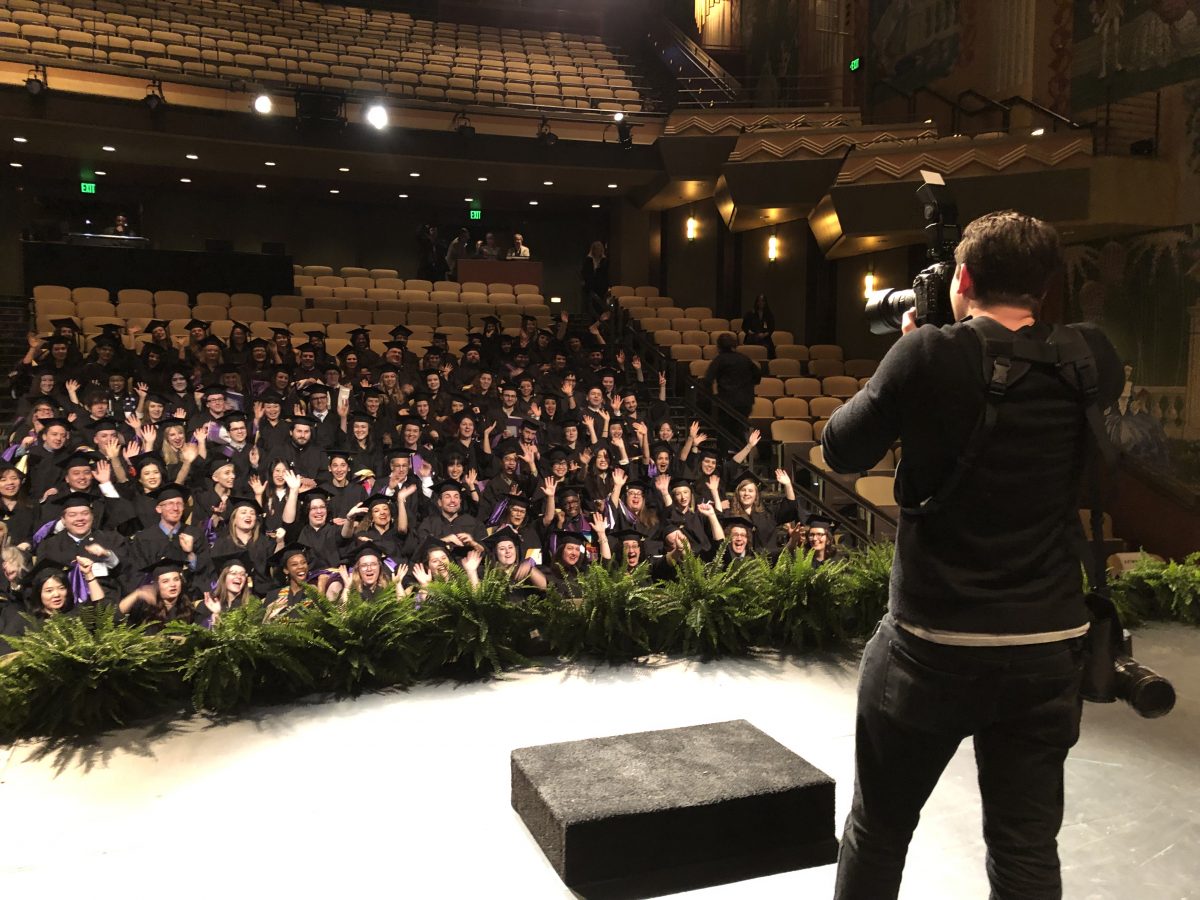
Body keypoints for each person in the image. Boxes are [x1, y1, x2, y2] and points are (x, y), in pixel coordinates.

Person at [822, 210, 1123, 900]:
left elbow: (842, 449)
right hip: (1048, 646)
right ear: (1046, 286)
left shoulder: (930, 354)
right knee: (1025, 847)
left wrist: (908, 353)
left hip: (932, 648)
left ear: (962, 277)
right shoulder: (1091, 356)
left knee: (880, 829)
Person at [702, 333, 761, 442]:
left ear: (719, 346)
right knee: (740, 428)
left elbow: (708, 380)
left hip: (727, 401)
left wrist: (711, 397)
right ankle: (743, 453)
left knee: (725, 431)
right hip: (745, 401)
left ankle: (725, 455)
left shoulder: (720, 359)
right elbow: (757, 376)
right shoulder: (744, 358)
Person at [580, 241, 610, 318]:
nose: (598, 251)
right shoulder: (588, 260)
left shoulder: (605, 261)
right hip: (590, 286)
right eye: (596, 249)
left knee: (599, 306)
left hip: (601, 288)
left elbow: (606, 275)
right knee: (590, 306)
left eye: (599, 249)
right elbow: (585, 273)